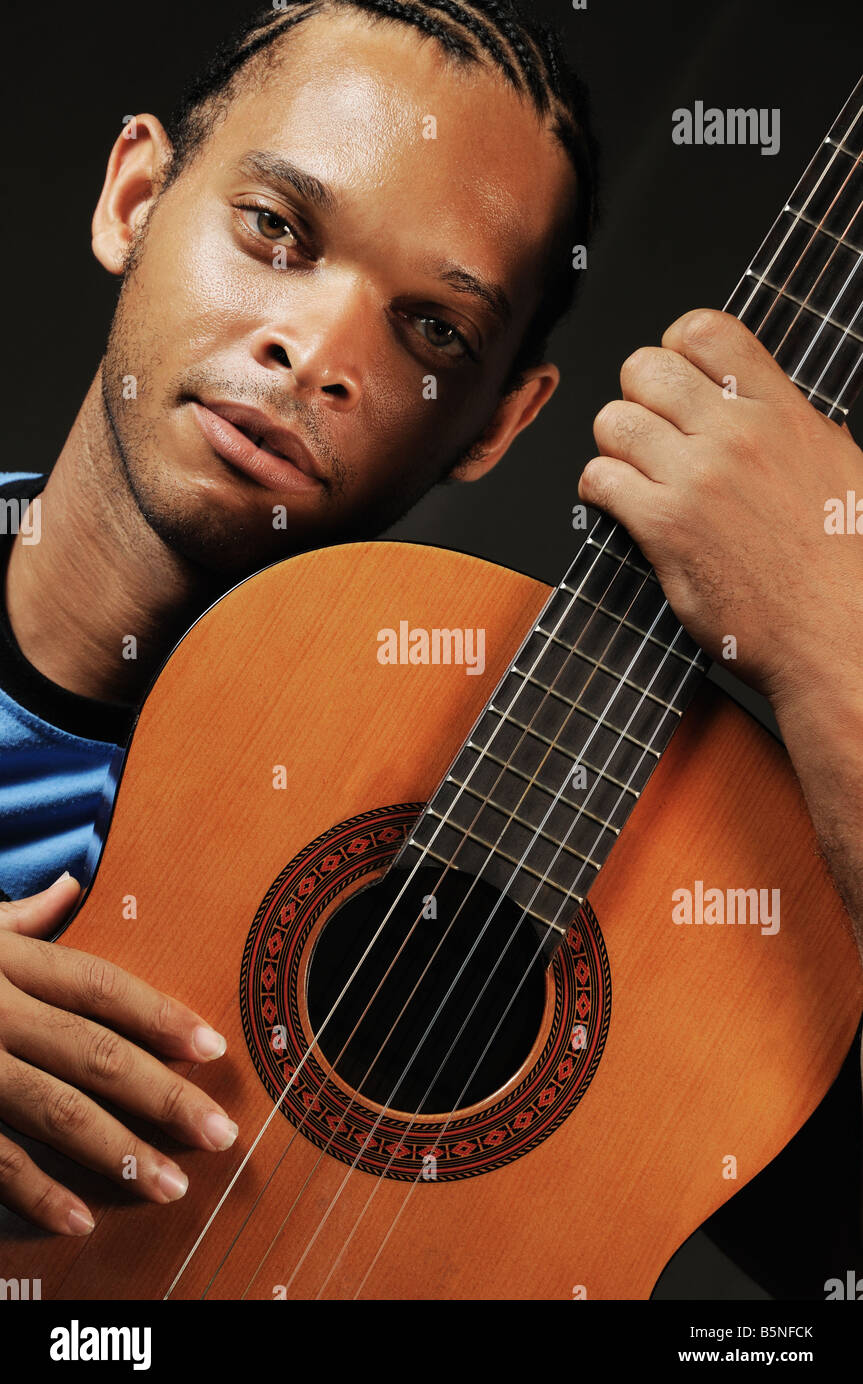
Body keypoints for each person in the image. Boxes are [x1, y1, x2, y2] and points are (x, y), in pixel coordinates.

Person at [0, 0, 860, 1300]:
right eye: (277, 229)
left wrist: (840, 648)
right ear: (134, 195)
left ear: (495, 425)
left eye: (433, 329)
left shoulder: (585, 825)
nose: (319, 355)